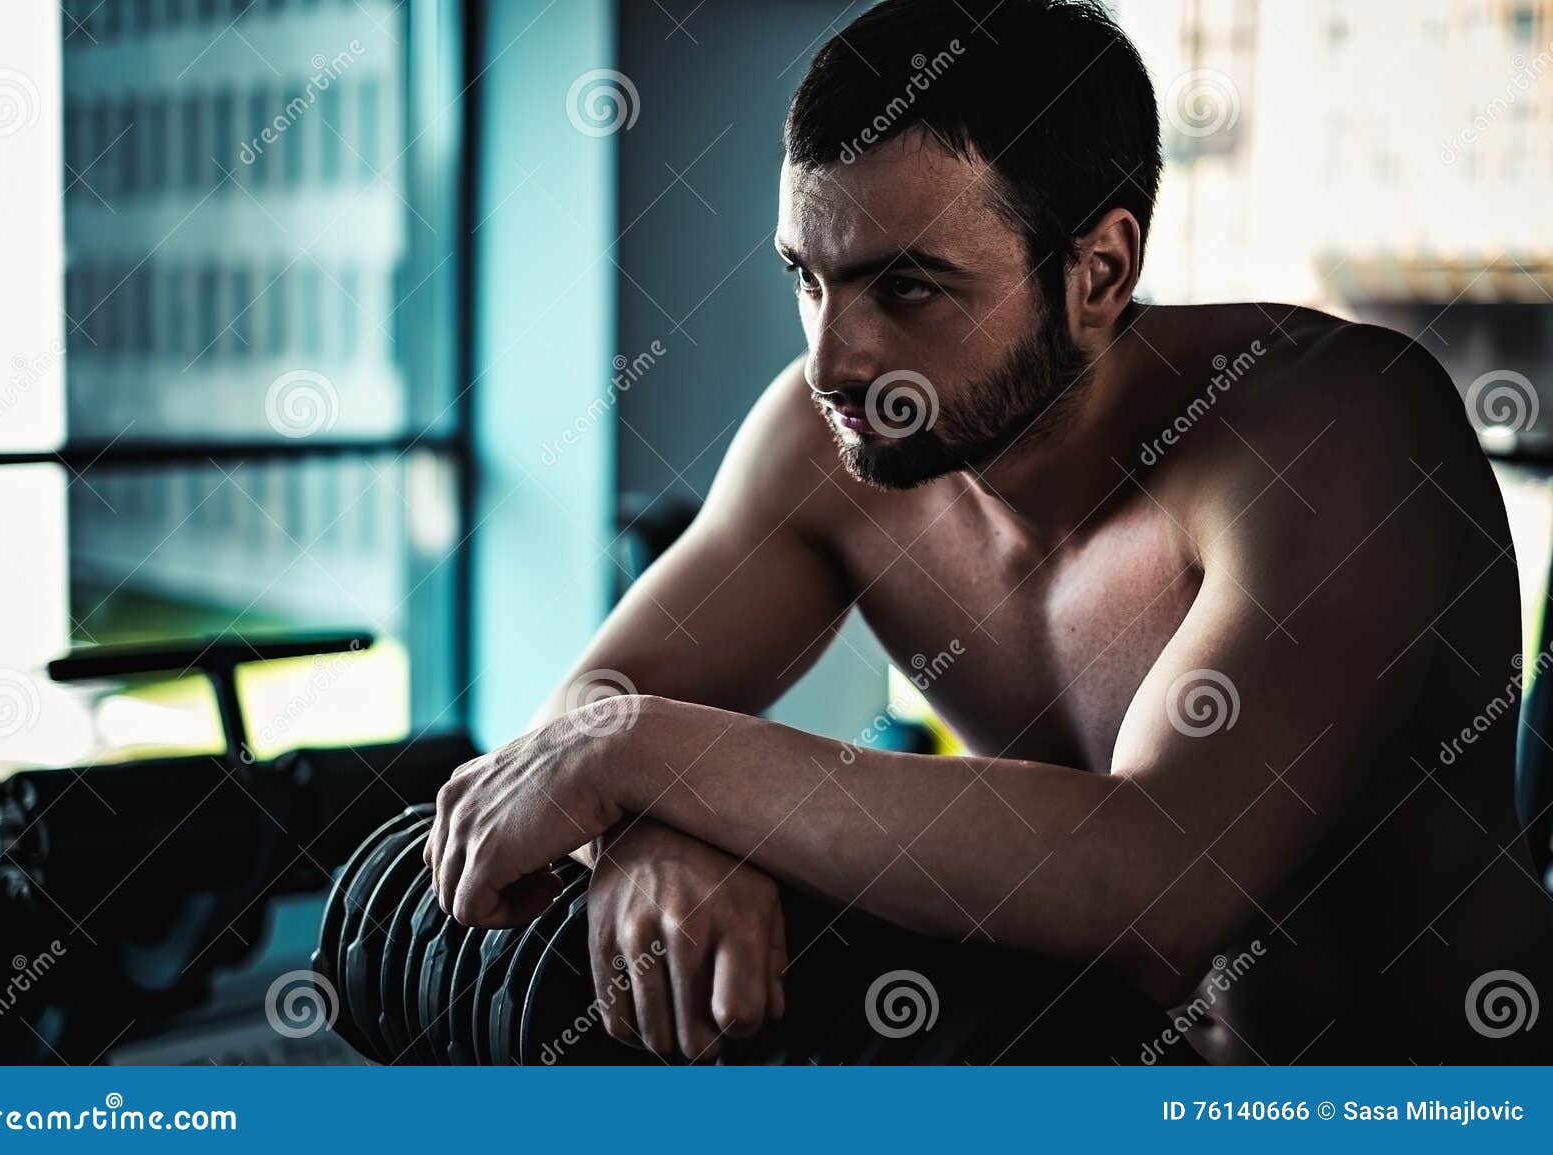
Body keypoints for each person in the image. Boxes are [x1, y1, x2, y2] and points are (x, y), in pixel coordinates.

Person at [425, 0, 1553, 1063]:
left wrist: (645, 757)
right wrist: (650, 833)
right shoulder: (823, 439)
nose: (832, 361)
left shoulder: (1336, 424)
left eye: (906, 289)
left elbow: (1160, 881)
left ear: (1097, 270)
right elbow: (584, 717)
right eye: (805, 282)